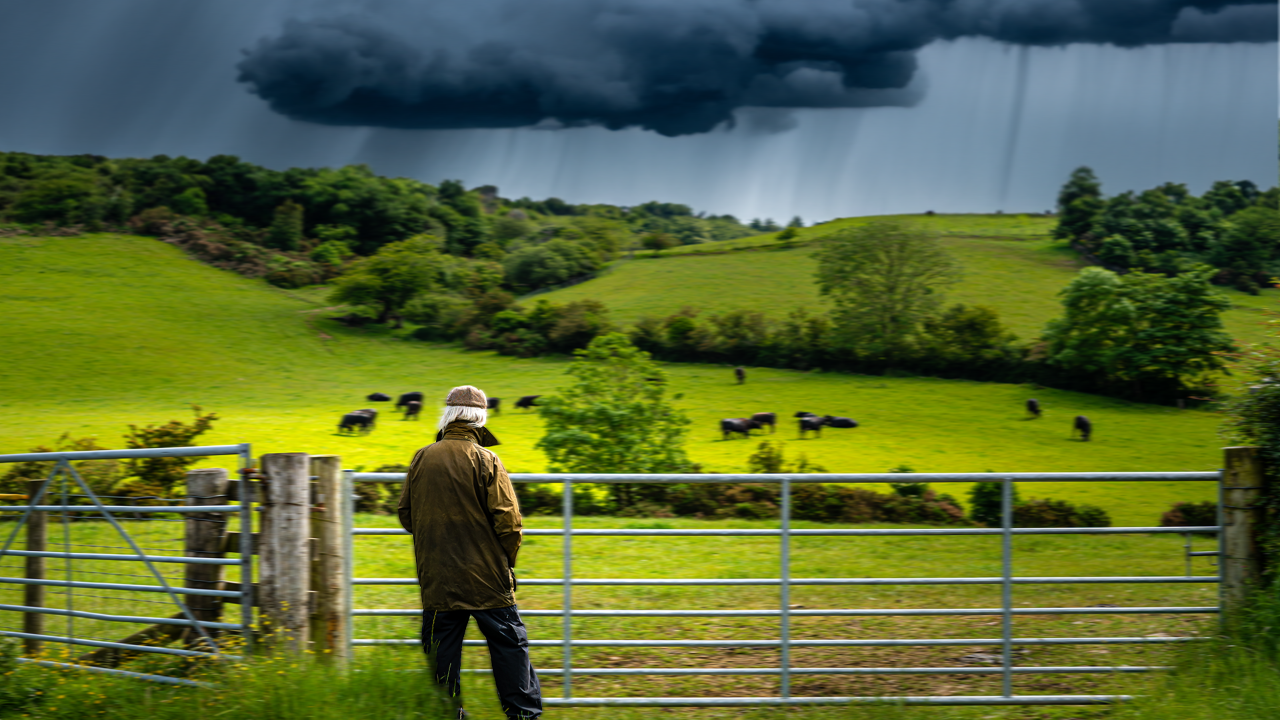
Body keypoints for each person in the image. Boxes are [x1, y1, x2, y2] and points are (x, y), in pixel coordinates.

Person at [398, 385, 542, 720]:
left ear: (447, 416)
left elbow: (406, 514)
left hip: (438, 577)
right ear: (480, 420)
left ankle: (447, 715)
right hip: (487, 577)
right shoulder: (486, 459)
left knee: (441, 652)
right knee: (509, 647)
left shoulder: (422, 457)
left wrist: (435, 540)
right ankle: (522, 716)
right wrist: (506, 563)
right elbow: (509, 522)